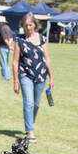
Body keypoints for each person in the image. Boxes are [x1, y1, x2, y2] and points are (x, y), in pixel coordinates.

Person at [12, 12, 52, 143]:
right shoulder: (20, 41)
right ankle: (30, 132)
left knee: (36, 104)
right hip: (25, 75)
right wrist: (16, 81)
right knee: (28, 103)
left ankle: (30, 123)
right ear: (22, 27)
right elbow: (15, 61)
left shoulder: (42, 39)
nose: (28, 28)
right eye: (26, 25)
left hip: (40, 75)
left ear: (35, 24)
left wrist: (51, 77)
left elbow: (47, 58)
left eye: (30, 25)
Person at [0, 17, 15, 81]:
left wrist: (9, 46)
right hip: (7, 47)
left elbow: (5, 39)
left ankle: (5, 77)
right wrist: (9, 45)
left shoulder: (2, 29)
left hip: (3, 47)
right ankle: (8, 76)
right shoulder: (8, 28)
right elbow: (11, 38)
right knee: (6, 62)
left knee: (3, 62)